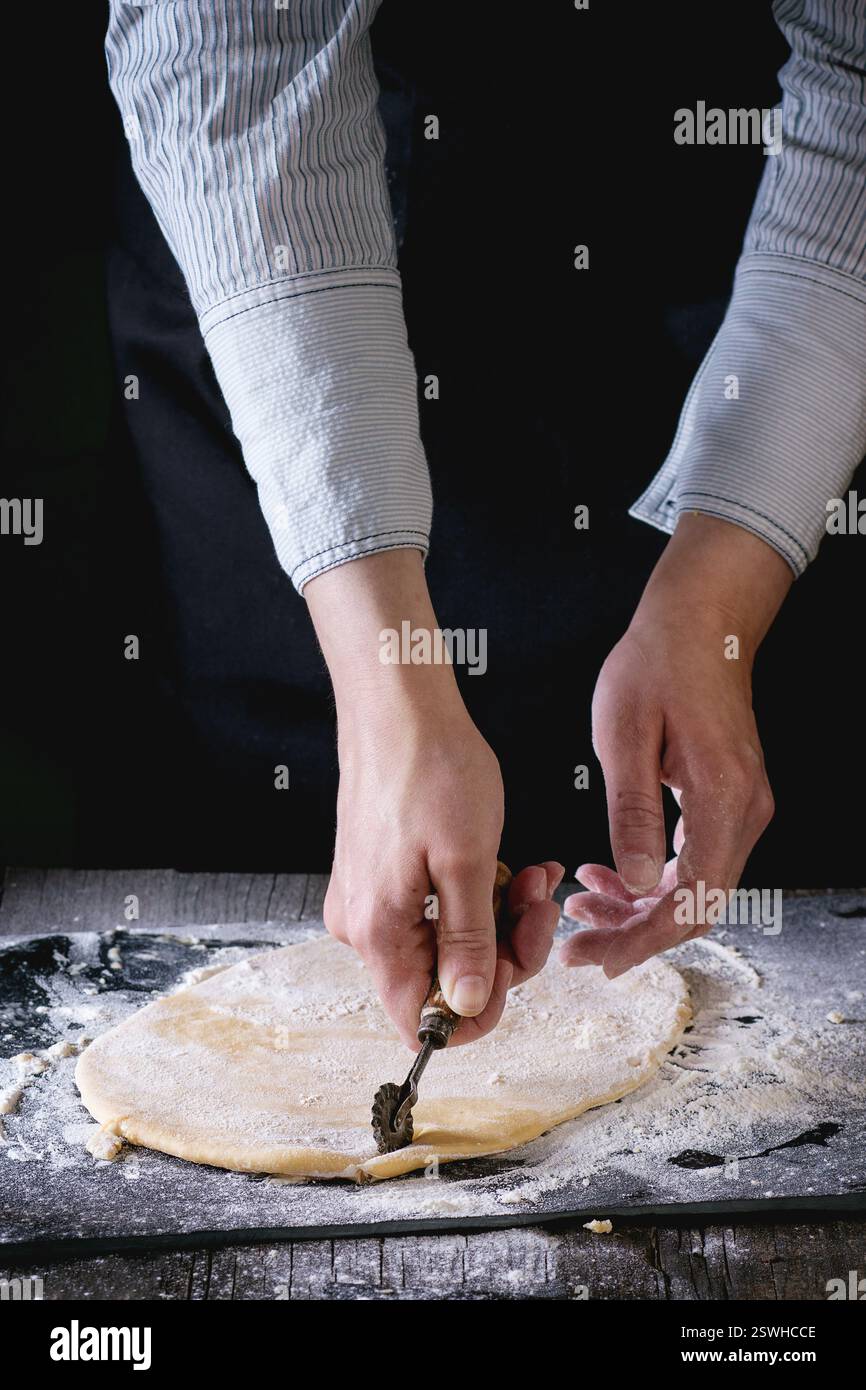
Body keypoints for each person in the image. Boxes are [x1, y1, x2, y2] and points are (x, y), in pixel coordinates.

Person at [104, 1, 865, 1048]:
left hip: (732, 256)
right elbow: (234, 53)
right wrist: (384, 695)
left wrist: (721, 593)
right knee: (309, 854)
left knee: (760, 937)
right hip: (282, 251)